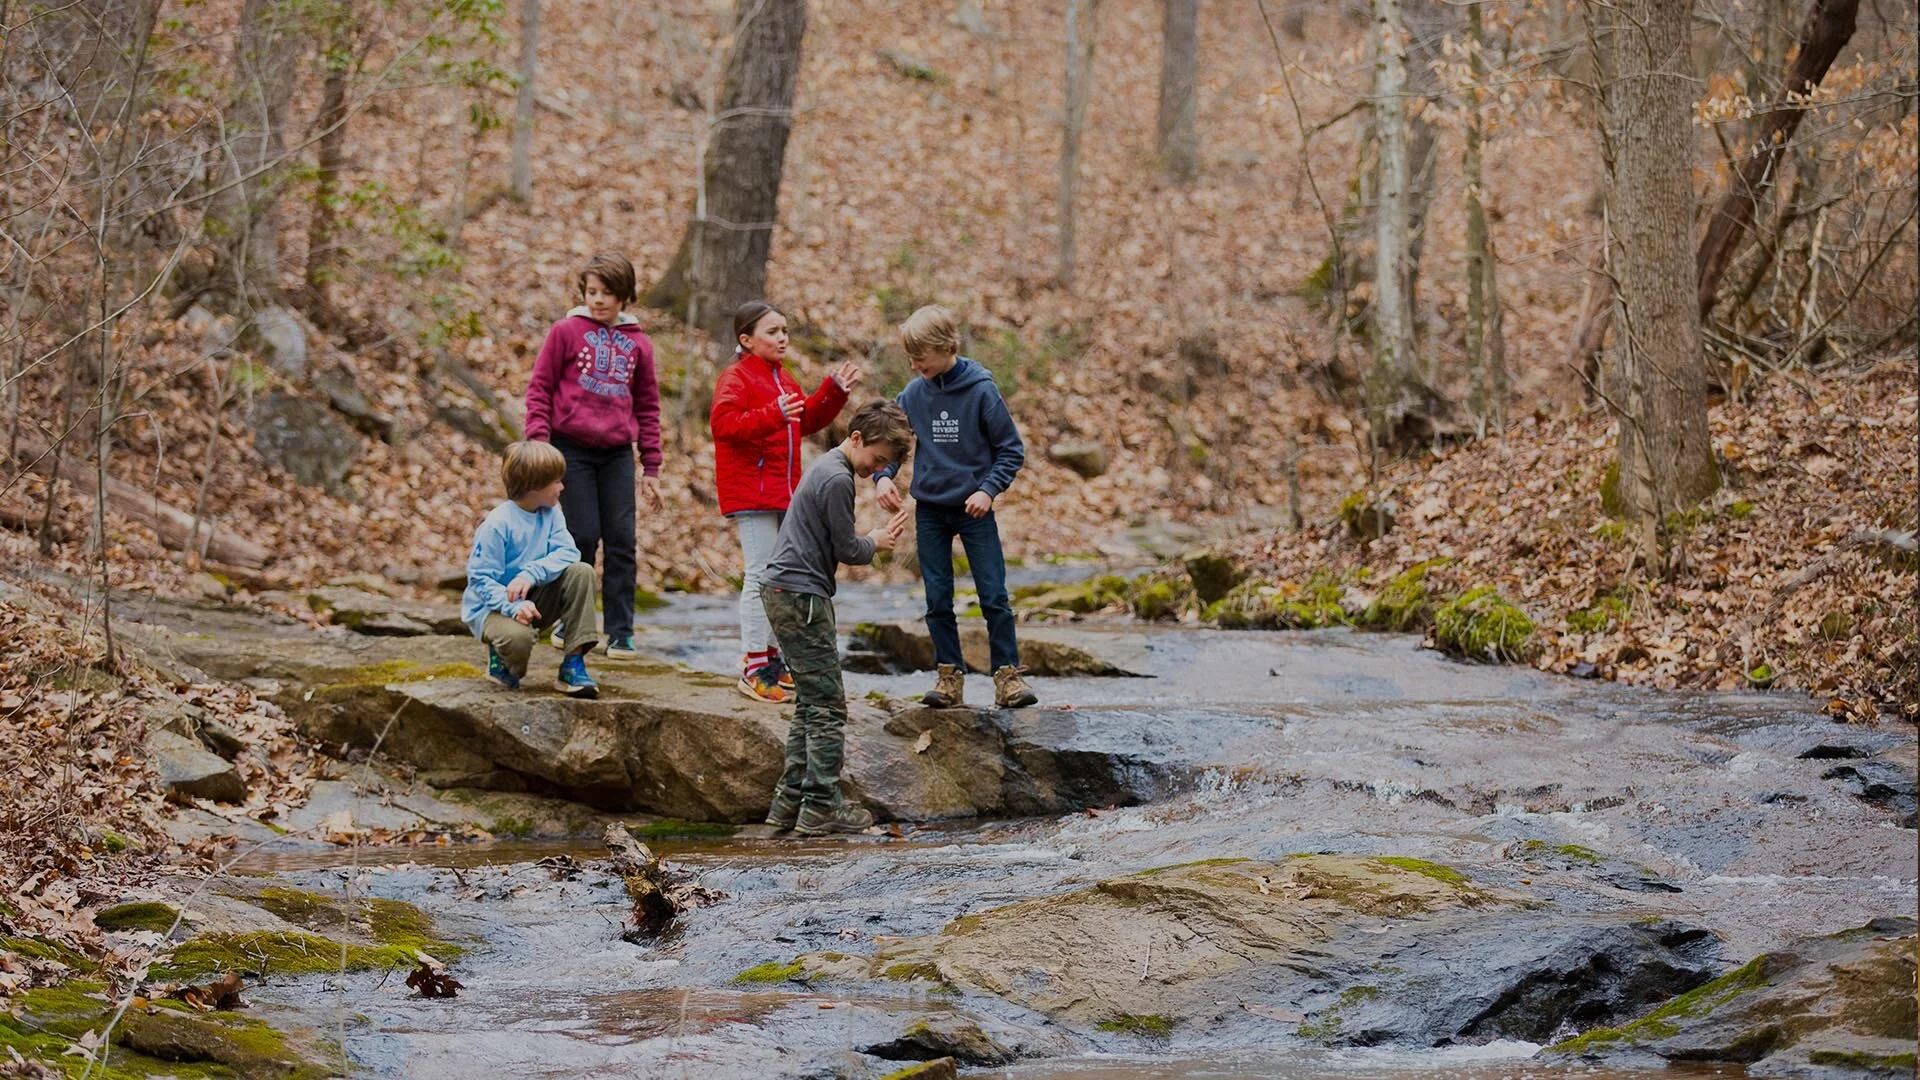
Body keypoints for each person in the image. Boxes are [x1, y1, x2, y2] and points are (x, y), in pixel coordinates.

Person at [760, 401, 913, 836]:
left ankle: (789, 802)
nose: (877, 468)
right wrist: (877, 541)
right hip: (801, 596)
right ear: (857, 438)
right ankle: (822, 804)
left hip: (783, 590)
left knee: (810, 703)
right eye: (878, 459)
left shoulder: (828, 467)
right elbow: (845, 548)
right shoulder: (836, 479)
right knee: (828, 706)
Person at [874, 305, 1037, 710]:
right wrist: (883, 476)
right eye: (909, 357)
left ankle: (1008, 677)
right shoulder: (913, 394)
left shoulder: (982, 390)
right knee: (937, 597)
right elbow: (894, 443)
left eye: (920, 356)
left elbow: (1010, 450)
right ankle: (948, 676)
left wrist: (988, 490)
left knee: (993, 594)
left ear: (946, 346)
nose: (913, 364)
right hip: (930, 508)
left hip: (974, 508)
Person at [711, 300, 863, 704]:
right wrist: (771, 412)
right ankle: (754, 666)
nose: (783, 338)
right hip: (752, 492)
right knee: (760, 574)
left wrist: (834, 393)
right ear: (746, 340)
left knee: (783, 579)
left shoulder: (783, 377)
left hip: (785, 491)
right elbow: (724, 425)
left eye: (785, 330)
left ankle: (775, 661)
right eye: (772, 332)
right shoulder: (736, 377)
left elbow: (806, 420)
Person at [523, 252, 664, 660]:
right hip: (570, 450)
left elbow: (648, 408)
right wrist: (538, 443)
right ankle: (573, 620)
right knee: (581, 535)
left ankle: (621, 631)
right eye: (591, 292)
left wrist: (650, 465)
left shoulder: (639, 344)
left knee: (621, 540)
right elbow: (540, 389)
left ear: (625, 297)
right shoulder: (565, 332)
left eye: (607, 293)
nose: (598, 300)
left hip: (617, 453)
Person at [461, 441, 601, 699]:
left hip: (534, 599)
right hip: (494, 606)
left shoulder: (551, 512)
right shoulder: (497, 525)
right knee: (519, 643)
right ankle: (502, 661)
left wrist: (530, 574)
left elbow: (568, 552)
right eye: (556, 481)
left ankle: (573, 664)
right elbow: (480, 580)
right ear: (535, 486)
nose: (562, 487)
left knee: (582, 572)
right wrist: (512, 607)